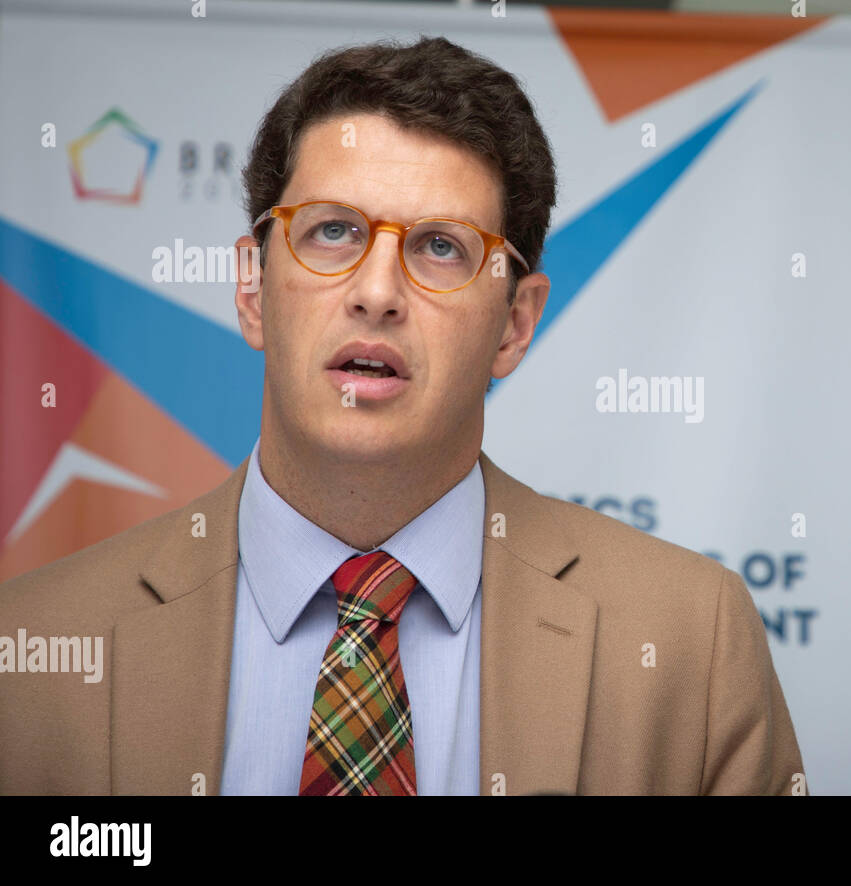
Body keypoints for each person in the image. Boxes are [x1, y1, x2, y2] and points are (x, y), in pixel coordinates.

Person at [0, 36, 804, 796]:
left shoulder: (693, 644)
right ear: (251, 288)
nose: (377, 292)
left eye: (441, 247)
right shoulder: (32, 650)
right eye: (333, 231)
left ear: (515, 325)